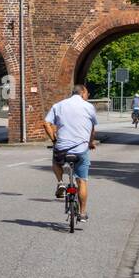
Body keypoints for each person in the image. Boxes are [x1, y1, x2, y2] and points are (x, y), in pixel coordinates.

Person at [44, 84, 98, 223]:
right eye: (87, 94)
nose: (88, 96)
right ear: (82, 93)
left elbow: (46, 123)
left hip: (62, 148)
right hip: (81, 149)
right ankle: (82, 213)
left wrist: (54, 140)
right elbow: (92, 128)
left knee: (56, 160)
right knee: (82, 181)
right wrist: (90, 143)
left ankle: (61, 182)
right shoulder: (88, 107)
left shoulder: (59, 105)